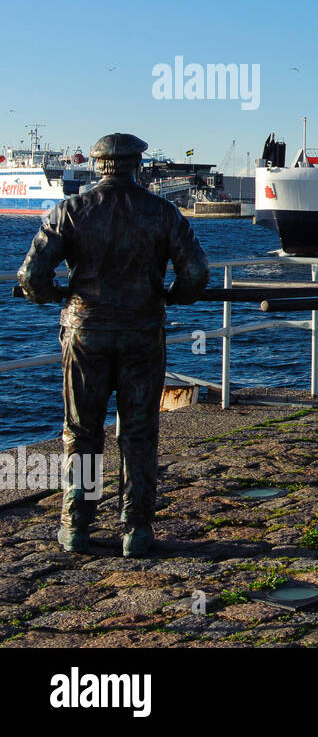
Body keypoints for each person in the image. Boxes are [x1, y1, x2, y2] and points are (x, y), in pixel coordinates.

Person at [17, 133, 209, 557]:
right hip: (142, 330)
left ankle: (76, 525)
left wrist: (56, 296)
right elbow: (195, 274)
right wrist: (169, 295)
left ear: (100, 165)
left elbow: (31, 278)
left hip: (85, 332)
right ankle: (136, 529)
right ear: (137, 165)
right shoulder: (162, 212)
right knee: (139, 432)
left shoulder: (69, 211)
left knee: (82, 432)